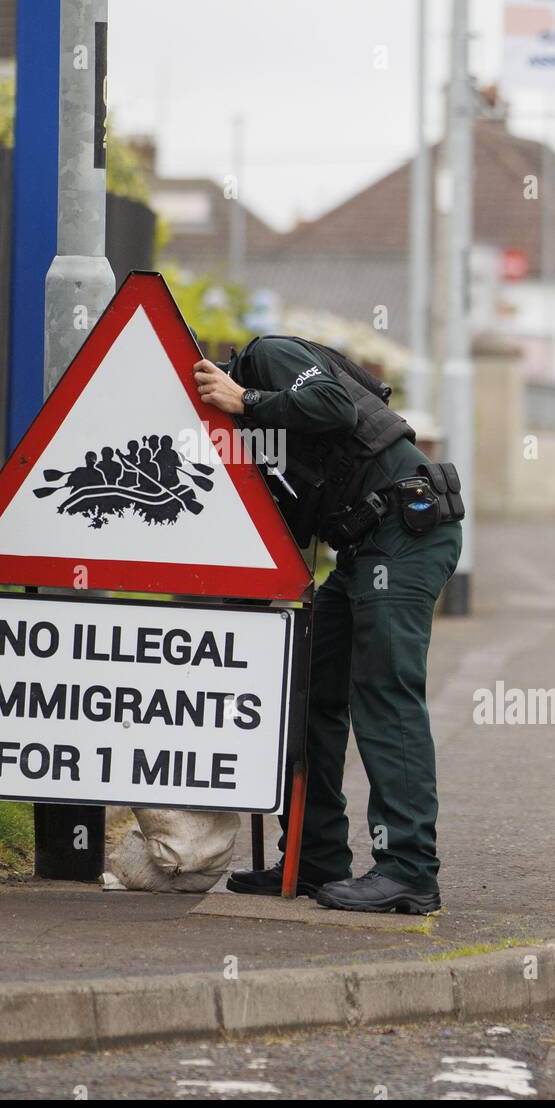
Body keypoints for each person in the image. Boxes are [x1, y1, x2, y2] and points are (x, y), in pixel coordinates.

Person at [192, 337, 463, 915]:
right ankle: (315, 860)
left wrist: (247, 398)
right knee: (308, 691)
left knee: (385, 695)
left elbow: (333, 406)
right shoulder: (238, 435)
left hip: (404, 530)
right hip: (361, 548)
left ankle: (409, 871)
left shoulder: (266, 360)